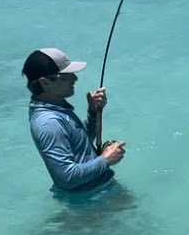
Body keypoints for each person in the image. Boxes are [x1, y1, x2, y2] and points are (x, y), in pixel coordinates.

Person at [22, 47, 126, 196]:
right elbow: (66, 178)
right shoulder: (49, 123)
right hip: (92, 202)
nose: (75, 78)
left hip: (98, 193)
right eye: (65, 76)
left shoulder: (57, 108)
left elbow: (78, 143)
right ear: (45, 83)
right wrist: (106, 159)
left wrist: (93, 111)